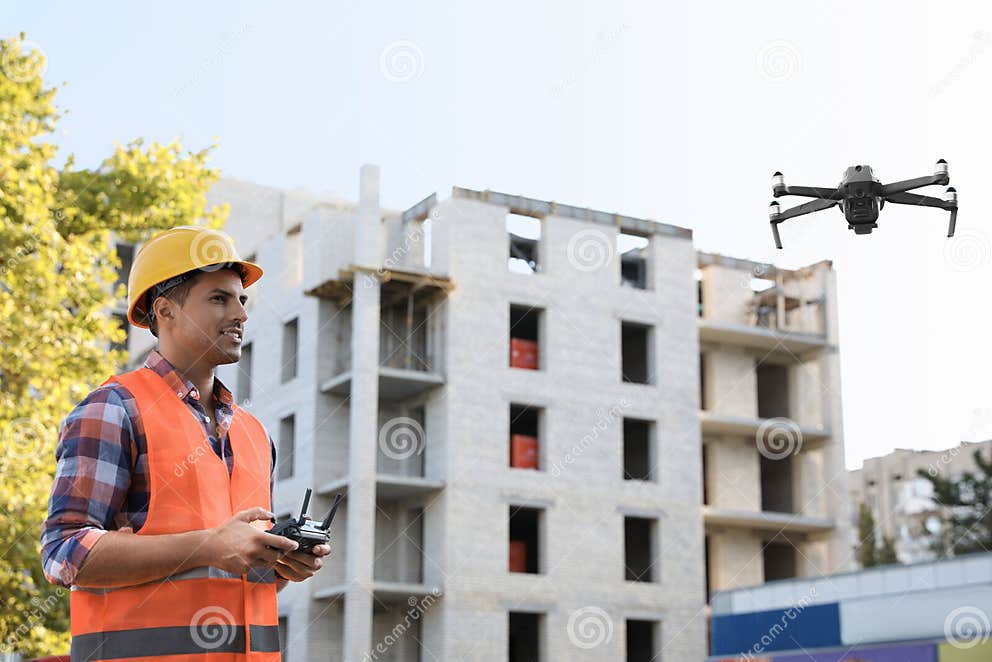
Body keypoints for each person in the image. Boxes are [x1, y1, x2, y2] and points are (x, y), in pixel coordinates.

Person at [40, 226, 330, 661]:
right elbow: (64, 553)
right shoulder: (114, 409)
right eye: (219, 298)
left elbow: (232, 576)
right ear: (165, 311)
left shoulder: (253, 435)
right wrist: (208, 545)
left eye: (241, 299)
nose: (240, 314)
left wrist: (282, 565)